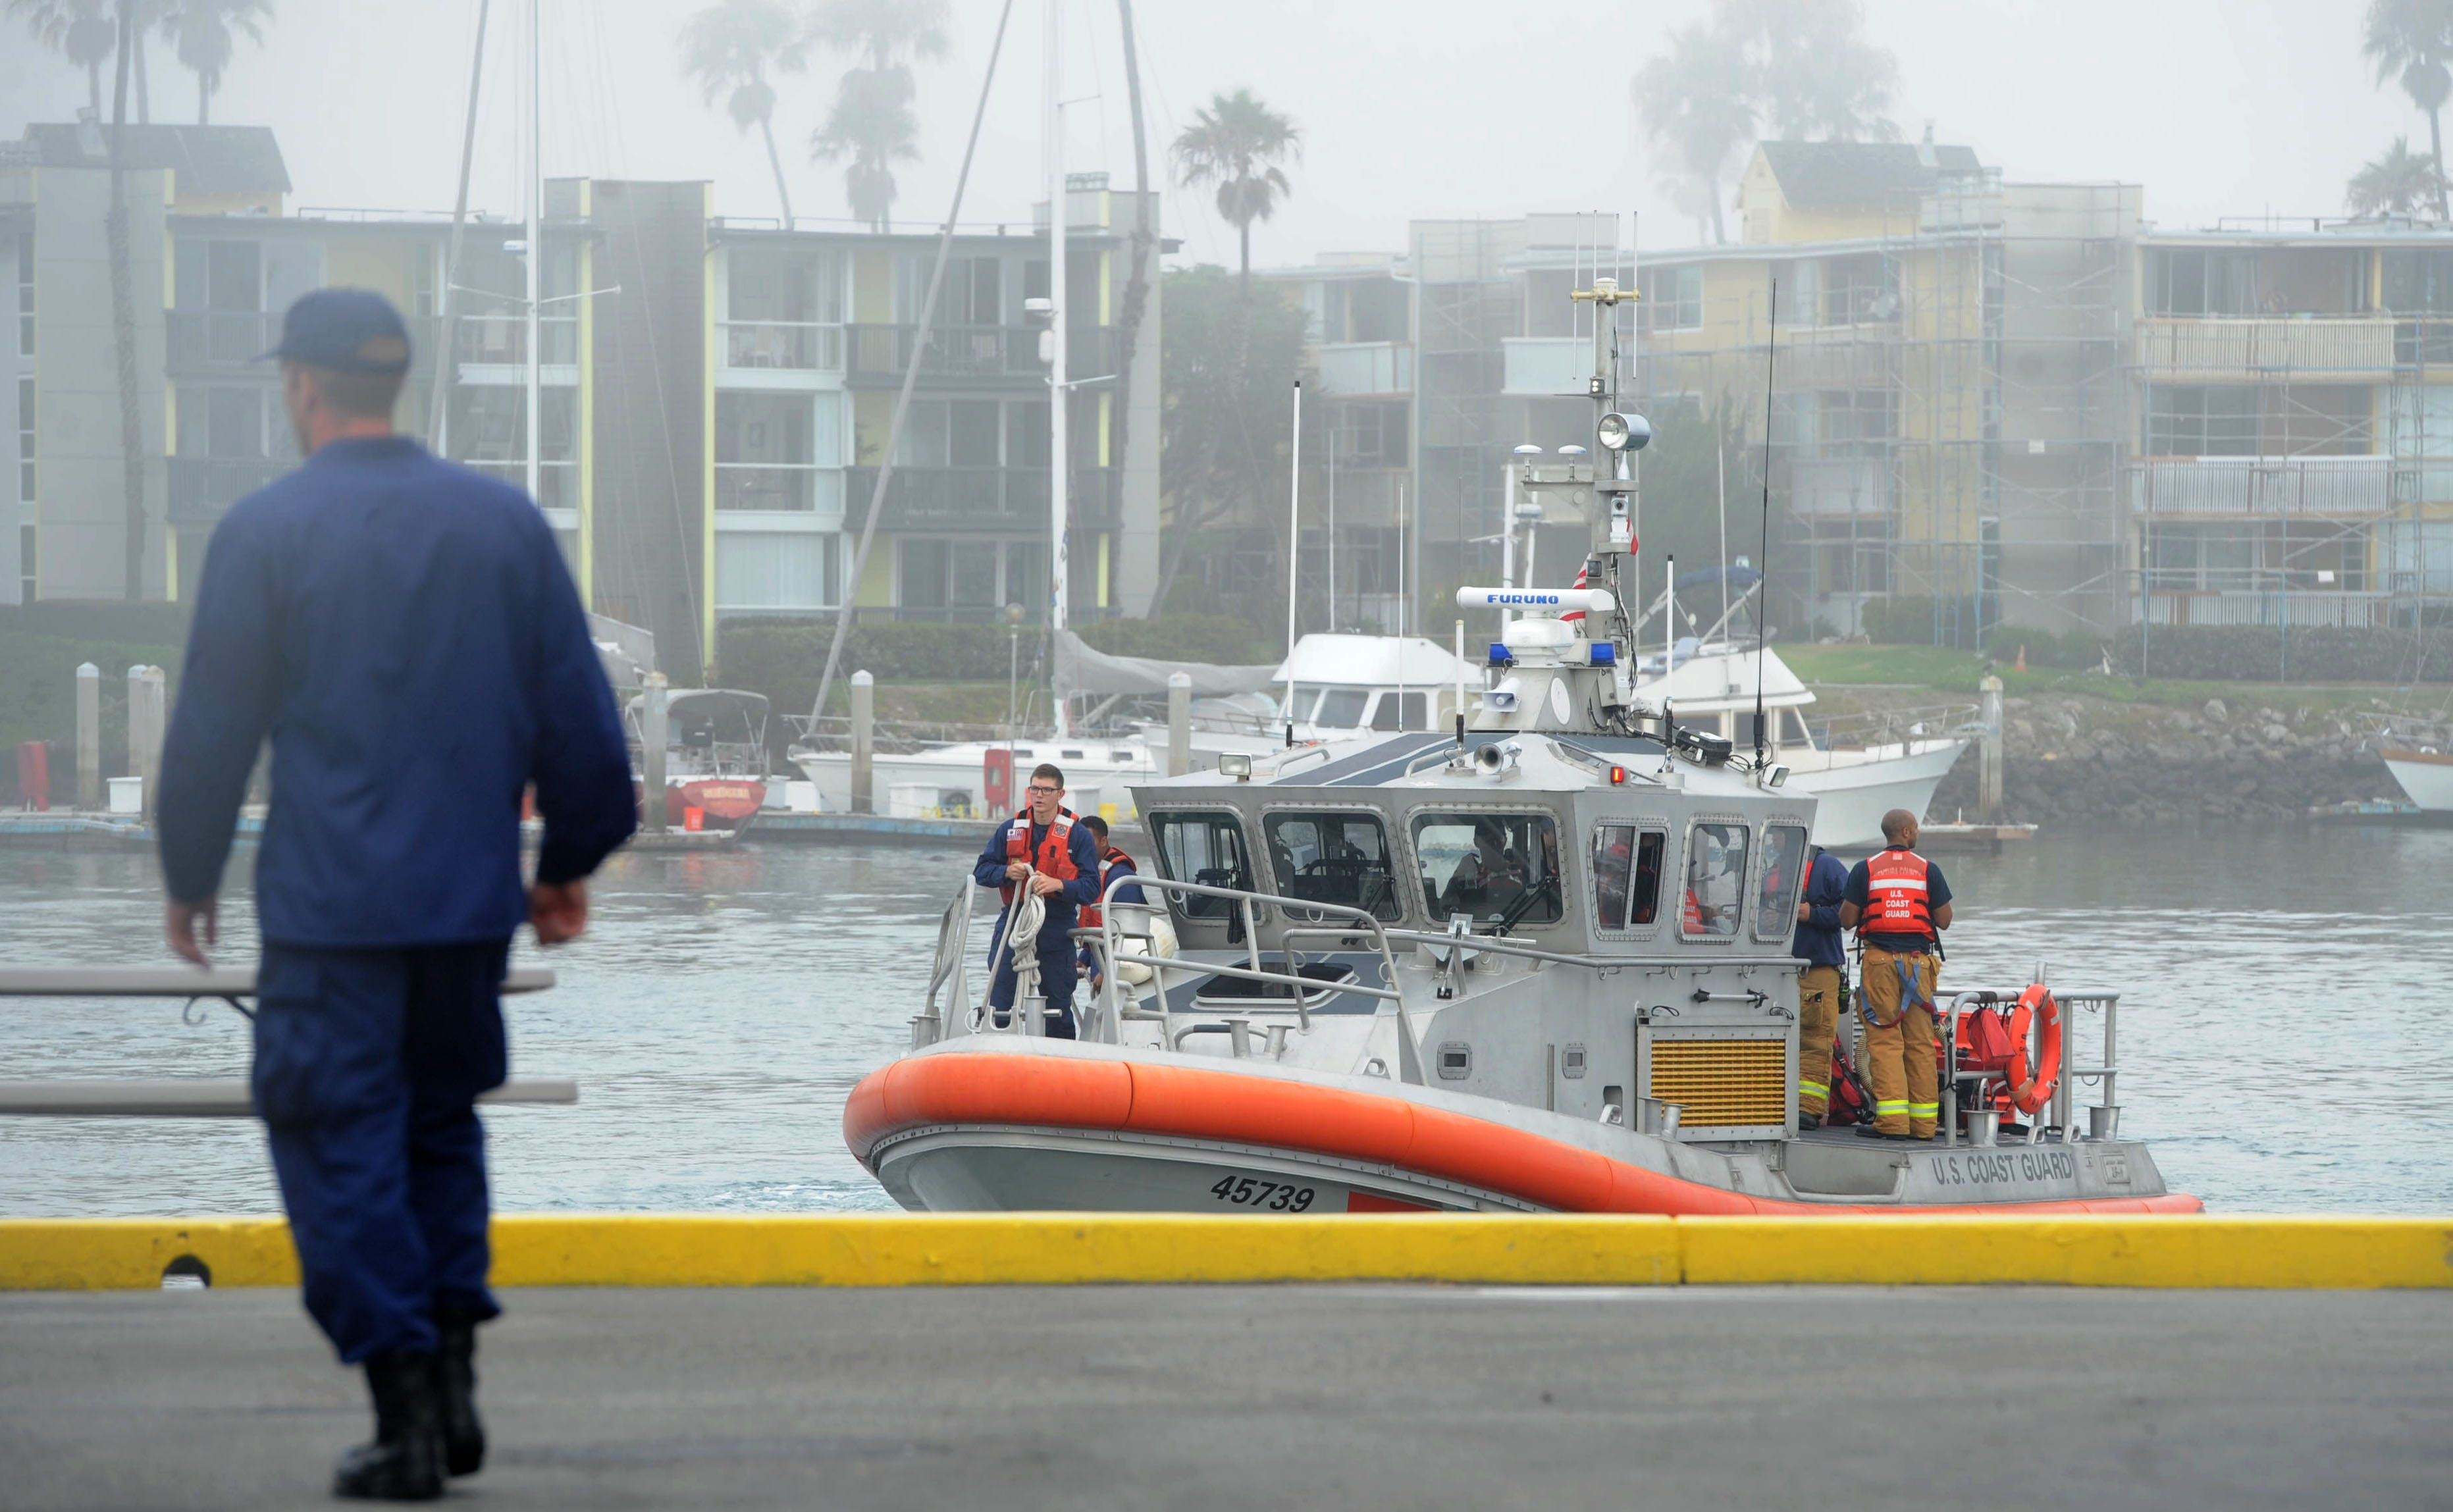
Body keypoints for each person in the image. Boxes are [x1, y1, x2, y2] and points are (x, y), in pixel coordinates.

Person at [154, 289, 637, 1501]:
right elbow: (581, 721)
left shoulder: (267, 531)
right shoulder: (502, 523)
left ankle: (409, 1407)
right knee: (437, 1131)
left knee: (336, 1140)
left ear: (303, 388)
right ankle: (457, 1378)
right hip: (466, 915)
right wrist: (564, 863)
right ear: (394, 384)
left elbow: (213, 726)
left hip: (333, 916)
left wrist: (190, 872)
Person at [1837, 808, 1954, 1141]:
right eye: (1915, 828)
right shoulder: (1929, 870)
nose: (1918, 832)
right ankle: (1924, 1126)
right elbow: (1944, 920)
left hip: (1880, 965)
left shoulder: (1865, 870)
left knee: (1885, 1043)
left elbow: (1847, 920)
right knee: (1920, 1044)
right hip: (1919, 967)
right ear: (1904, 832)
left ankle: (1893, 1123)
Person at [971, 763, 1099, 1037]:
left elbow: (1091, 887)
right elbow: (981, 871)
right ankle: (999, 1053)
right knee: (1001, 993)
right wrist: (1007, 871)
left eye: (1046, 790)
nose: (1039, 795)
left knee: (1057, 1003)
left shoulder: (1077, 835)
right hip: (1014, 922)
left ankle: (1061, 1061)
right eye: (1035, 788)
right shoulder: (1010, 829)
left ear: (1060, 794)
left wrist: (1059, 884)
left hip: (1056, 924)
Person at [1789, 842, 1853, 1130]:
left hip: (1817, 969)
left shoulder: (1827, 867)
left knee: (1815, 1040)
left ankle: (1808, 1110)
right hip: (1775, 970)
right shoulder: (1769, 864)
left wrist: (1811, 914)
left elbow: (1850, 912)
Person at [1074, 813, 1147, 989]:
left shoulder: (1121, 878)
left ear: (1103, 841)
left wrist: (1107, 972)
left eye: (1087, 843)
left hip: (1120, 972)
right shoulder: (1094, 874)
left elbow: (1129, 934)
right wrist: (1084, 960)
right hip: (1101, 959)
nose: (1082, 849)